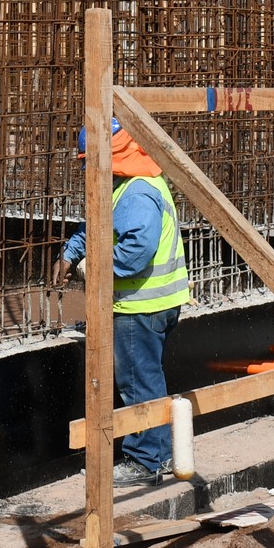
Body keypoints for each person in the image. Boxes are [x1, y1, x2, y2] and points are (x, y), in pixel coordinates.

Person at [50, 117, 190, 484]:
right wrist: (70, 252)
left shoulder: (138, 192)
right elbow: (99, 221)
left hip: (140, 306)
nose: (85, 169)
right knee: (147, 377)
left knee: (137, 382)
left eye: (88, 161)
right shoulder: (127, 183)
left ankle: (147, 462)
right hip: (154, 303)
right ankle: (154, 454)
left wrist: (91, 267)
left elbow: (136, 250)